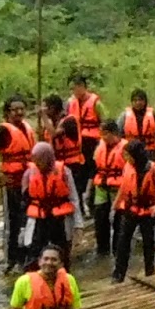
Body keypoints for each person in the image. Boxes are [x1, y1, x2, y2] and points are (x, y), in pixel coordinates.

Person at [0, 95, 36, 271]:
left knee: (28, 219)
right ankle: (11, 258)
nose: (19, 112)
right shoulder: (2, 131)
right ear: (7, 112)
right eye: (15, 109)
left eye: (22, 108)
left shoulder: (27, 128)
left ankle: (26, 254)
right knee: (12, 221)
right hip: (11, 182)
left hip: (28, 180)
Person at [112, 139, 155, 282]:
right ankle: (119, 274)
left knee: (148, 243)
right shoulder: (128, 167)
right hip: (130, 210)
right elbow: (123, 188)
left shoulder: (153, 169)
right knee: (122, 242)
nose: (125, 158)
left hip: (148, 212)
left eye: (128, 155)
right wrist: (115, 205)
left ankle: (150, 271)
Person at [21, 141, 79, 271]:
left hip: (59, 219)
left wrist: (78, 225)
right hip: (39, 218)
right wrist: (23, 228)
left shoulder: (64, 172)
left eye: (39, 160)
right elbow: (25, 202)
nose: (37, 164)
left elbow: (74, 199)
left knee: (61, 252)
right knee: (34, 252)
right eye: (35, 161)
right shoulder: (29, 174)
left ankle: (63, 278)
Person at [89, 119, 128, 257]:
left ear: (115, 133)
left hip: (119, 188)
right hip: (101, 187)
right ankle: (102, 250)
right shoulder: (100, 146)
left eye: (106, 134)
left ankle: (118, 251)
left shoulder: (125, 148)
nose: (103, 137)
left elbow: (131, 172)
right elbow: (94, 168)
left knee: (119, 220)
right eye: (101, 134)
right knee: (100, 218)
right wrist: (90, 189)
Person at [42, 95, 84, 206]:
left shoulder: (69, 121)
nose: (44, 111)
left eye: (45, 108)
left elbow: (54, 134)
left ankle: (78, 216)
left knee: (73, 193)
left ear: (52, 108)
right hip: (60, 163)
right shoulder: (54, 123)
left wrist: (43, 117)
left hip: (73, 163)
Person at [69, 75, 103, 208]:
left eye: (76, 88)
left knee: (94, 171)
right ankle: (81, 203)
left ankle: (92, 200)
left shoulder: (96, 102)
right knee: (80, 173)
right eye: (72, 89)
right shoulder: (71, 103)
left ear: (83, 87)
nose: (75, 92)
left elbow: (103, 121)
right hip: (78, 143)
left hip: (93, 141)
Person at [116, 88, 155, 158]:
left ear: (145, 101)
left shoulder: (152, 114)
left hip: (150, 152)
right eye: (135, 100)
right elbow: (117, 134)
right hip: (131, 153)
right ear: (132, 102)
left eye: (140, 100)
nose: (138, 102)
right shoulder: (124, 116)